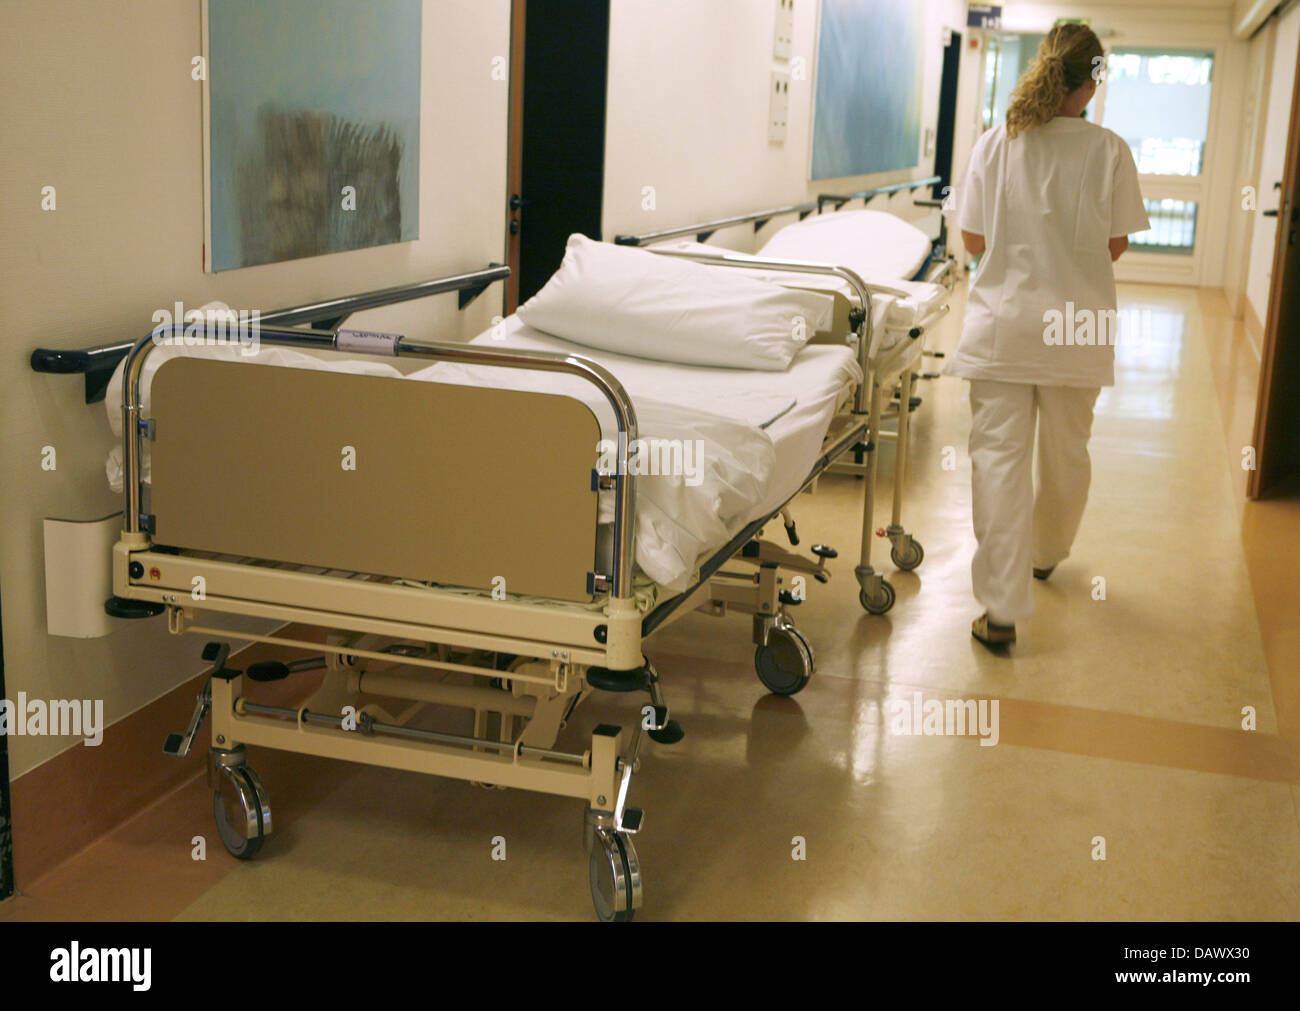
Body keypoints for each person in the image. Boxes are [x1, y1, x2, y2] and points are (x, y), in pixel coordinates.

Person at [947, 24, 1150, 649]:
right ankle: (1046, 552)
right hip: (1077, 329)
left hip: (1003, 327)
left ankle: (1002, 610)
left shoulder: (996, 143)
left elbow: (974, 243)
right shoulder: (1109, 149)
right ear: (1093, 81)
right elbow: (1114, 244)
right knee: (1066, 456)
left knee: (999, 464)